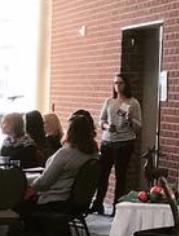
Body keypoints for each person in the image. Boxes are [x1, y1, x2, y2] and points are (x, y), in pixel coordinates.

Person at [92, 72, 142, 214]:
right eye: (115, 83)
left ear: (126, 85)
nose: (117, 86)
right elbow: (100, 121)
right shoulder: (109, 101)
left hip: (124, 142)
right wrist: (107, 126)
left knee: (120, 175)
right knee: (103, 174)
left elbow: (138, 127)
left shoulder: (132, 103)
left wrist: (130, 119)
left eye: (120, 83)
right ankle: (98, 203)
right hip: (108, 141)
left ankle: (117, 206)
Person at [28, 109, 98, 210]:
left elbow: (44, 182)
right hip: (80, 201)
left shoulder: (65, 153)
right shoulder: (94, 154)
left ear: (70, 131)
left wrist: (29, 185)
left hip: (56, 199)